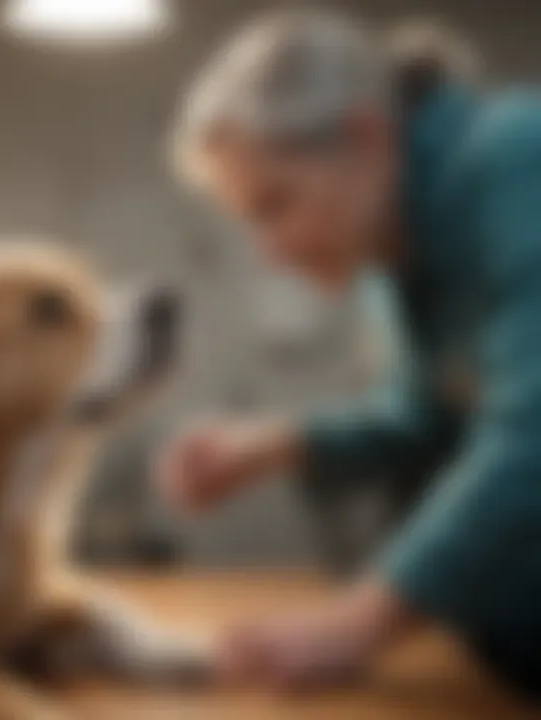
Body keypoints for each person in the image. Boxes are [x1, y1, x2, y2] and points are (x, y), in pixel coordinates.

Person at [157, 9, 541, 698]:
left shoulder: (516, 160)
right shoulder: (398, 254)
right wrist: (275, 444)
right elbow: (427, 414)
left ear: (364, 135)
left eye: (276, 204)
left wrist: (360, 620)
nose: (271, 251)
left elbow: (533, 430)